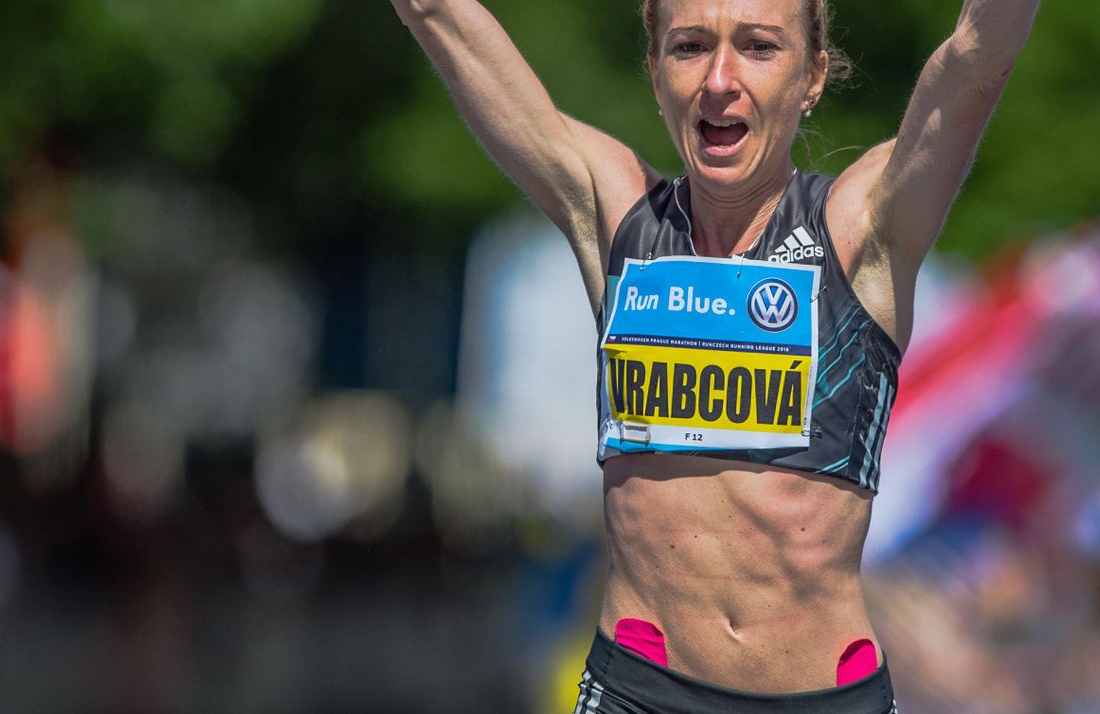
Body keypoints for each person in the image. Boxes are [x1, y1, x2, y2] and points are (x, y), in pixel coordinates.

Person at [388, 0, 1039, 709]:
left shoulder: (865, 230)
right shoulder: (617, 217)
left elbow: (975, 57)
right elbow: (436, 13)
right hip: (640, 689)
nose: (720, 79)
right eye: (691, 47)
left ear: (813, 74)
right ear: (655, 69)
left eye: (759, 48)